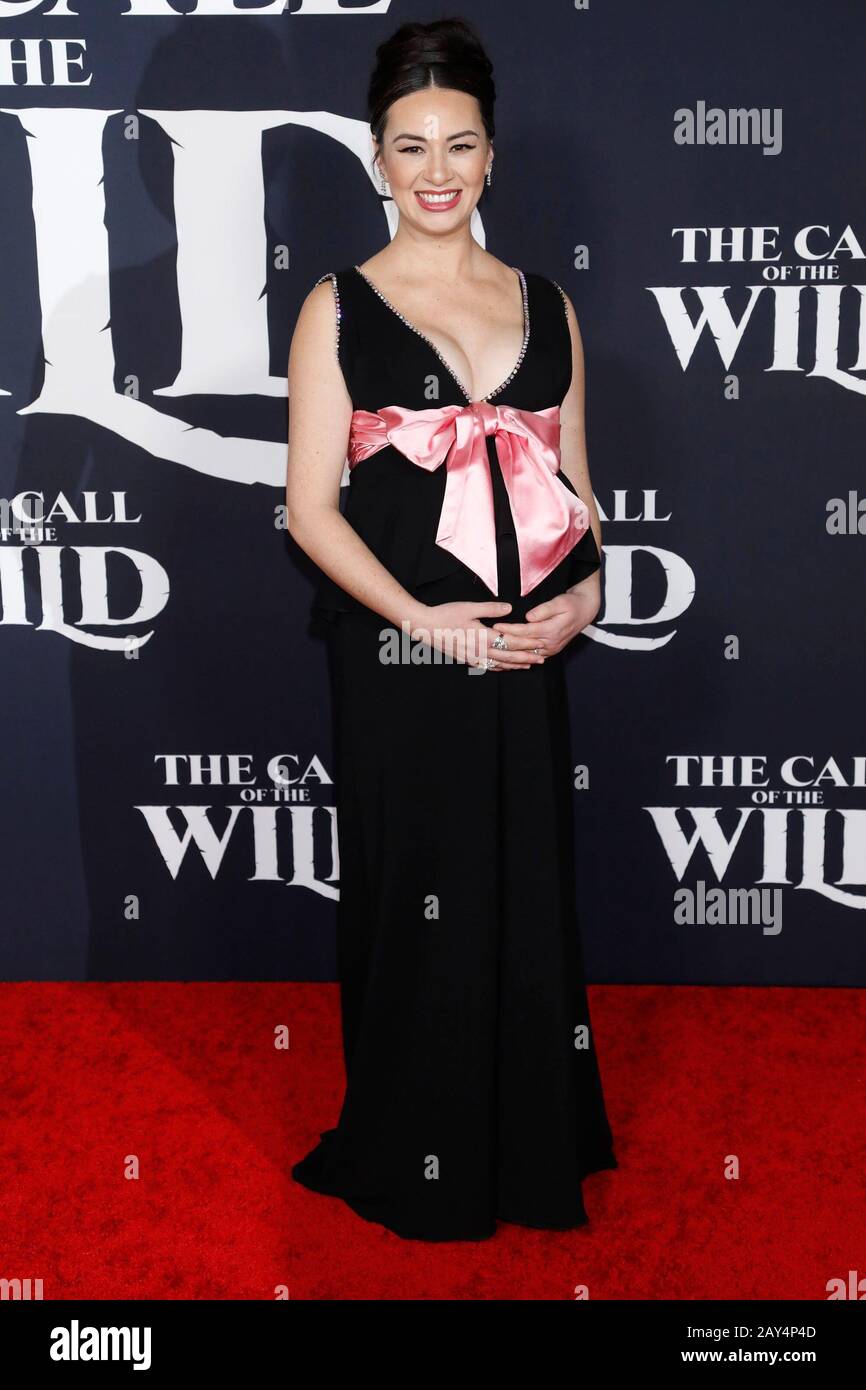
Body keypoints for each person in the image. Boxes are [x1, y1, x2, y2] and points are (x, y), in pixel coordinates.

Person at [285, 16, 617, 1242]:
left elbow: (580, 496)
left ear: (490, 156)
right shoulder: (336, 305)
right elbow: (311, 510)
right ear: (376, 158)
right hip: (399, 656)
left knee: (522, 891)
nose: (436, 170)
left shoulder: (546, 303)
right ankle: (412, 1147)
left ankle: (526, 1145)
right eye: (409, 145)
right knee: (416, 890)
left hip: (524, 656)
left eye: (459, 144)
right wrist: (424, 621)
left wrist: (582, 601)